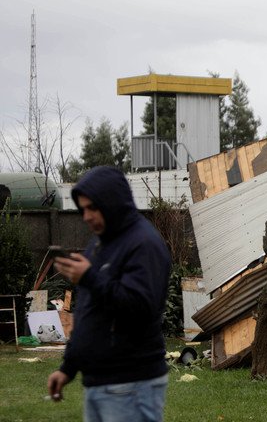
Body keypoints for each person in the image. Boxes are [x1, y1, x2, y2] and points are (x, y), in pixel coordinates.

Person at [47, 166, 172, 422]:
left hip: (131, 384)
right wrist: (68, 368)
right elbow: (90, 312)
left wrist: (91, 277)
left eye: (93, 207)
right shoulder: (100, 242)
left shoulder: (144, 243)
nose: (86, 216)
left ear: (113, 202)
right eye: (83, 209)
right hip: (101, 383)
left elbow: (141, 307)